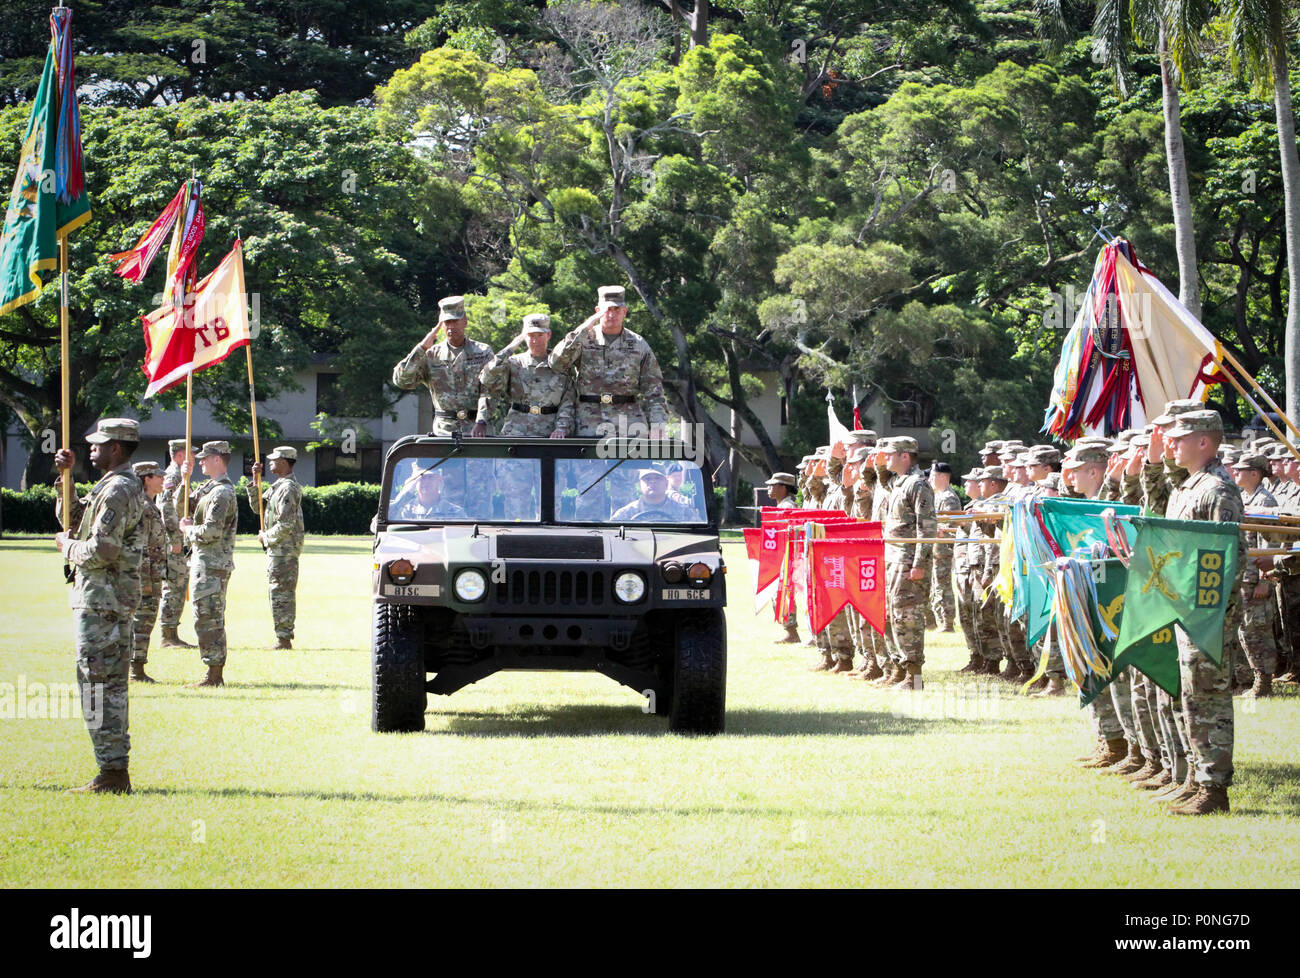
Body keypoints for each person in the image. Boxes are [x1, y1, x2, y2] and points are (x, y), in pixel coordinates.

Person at [52, 418, 146, 794]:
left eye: (99, 443)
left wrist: (68, 548)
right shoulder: (113, 486)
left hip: (103, 601)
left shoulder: (119, 489)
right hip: (105, 600)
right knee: (108, 686)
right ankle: (113, 769)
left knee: (98, 686)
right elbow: (74, 519)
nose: (92, 448)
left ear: (117, 449)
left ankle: (112, 772)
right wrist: (66, 479)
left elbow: (103, 548)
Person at [1160, 409, 1245, 815]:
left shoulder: (1218, 490)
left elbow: (1229, 559)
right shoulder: (1186, 488)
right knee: (1189, 695)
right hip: (1183, 605)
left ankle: (1214, 790)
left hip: (1206, 611)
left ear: (1204, 442)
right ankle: (1196, 778)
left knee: (1208, 696)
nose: (1171, 445)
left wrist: (1205, 607)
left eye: (1180, 439)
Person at [547, 286, 669, 437]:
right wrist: (584, 328)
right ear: (597, 311)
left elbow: (654, 389)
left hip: (629, 422)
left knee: (632, 461)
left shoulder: (638, 344)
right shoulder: (583, 340)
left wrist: (658, 425)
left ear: (624, 311)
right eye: (607, 309)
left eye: (616, 309)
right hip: (588, 421)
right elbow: (556, 364)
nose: (611, 314)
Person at [878, 436, 936, 690]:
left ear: (905, 456)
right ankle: (900, 670)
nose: (885, 459)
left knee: (908, 617)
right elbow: (878, 479)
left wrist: (920, 562)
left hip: (908, 560)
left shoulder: (918, 484)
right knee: (893, 616)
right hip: (893, 559)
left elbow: (927, 527)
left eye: (890, 454)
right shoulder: (897, 483)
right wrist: (879, 465)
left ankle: (915, 678)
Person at [180, 441, 239, 687]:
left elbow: (212, 531)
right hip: (205, 561)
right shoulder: (210, 489)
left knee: (209, 618)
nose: (200, 461)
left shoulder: (223, 492)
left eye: (204, 458)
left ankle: (214, 675)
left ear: (218, 459)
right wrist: (184, 481)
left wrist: (188, 530)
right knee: (204, 616)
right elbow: (180, 508)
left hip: (213, 564)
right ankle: (212, 672)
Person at [392, 295, 494, 437]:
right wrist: (421, 348)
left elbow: (489, 390)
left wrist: (482, 421)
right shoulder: (431, 355)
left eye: (455, 321)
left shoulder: (483, 352)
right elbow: (402, 381)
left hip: (477, 430)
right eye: (447, 322)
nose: (451, 326)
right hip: (444, 431)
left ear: (465, 321)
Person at [480, 313, 576, 438]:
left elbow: (567, 402)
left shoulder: (560, 365)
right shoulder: (514, 363)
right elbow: (487, 377)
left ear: (548, 335)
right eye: (530, 336)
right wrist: (513, 345)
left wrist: (562, 428)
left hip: (550, 432)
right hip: (515, 431)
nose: (535, 341)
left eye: (540, 335)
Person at [1231, 453, 1279, 698]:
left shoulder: (1265, 501)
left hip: (1256, 578)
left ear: (1254, 473)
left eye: (1241, 470)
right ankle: (1254, 680)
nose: (1235, 473)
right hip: (1243, 576)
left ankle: (1265, 684)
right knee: (1247, 630)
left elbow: (1270, 542)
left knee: (1259, 630)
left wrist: (1264, 579)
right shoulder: (1245, 498)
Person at [249, 446, 306, 650]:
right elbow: (259, 509)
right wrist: (255, 481)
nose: (270, 462)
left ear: (284, 461)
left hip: (285, 548)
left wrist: (266, 537)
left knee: (282, 593)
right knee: (277, 591)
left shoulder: (288, 488)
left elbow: (285, 523)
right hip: (278, 548)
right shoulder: (279, 486)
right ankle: (282, 636)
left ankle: (283, 639)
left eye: (274, 459)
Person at [130, 461, 167, 683]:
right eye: (157, 476)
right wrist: (145, 581)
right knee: (141, 623)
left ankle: (137, 668)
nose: (162, 479)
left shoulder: (150, 505)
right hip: (145, 578)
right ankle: (136, 671)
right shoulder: (143, 507)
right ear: (146, 479)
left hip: (152, 576)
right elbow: (140, 546)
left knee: (145, 623)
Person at [159, 438, 196, 648]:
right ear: (181, 455)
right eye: (191, 454)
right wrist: (174, 538)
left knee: (178, 586)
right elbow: (166, 508)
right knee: (174, 586)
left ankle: (172, 633)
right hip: (173, 541)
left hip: (178, 539)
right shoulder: (172, 476)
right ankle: (168, 635)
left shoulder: (180, 476)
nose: (193, 458)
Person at [765, 472, 801, 643]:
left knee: (784, 592)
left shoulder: (788, 507)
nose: (769, 488)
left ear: (783, 488)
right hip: (783, 555)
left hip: (789, 556)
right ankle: (790, 630)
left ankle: (791, 632)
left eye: (773, 485)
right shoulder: (783, 506)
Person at [928, 461, 961, 632]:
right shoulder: (938, 496)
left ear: (942, 476)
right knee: (936, 585)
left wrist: (941, 531)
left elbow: (952, 524)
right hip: (936, 548)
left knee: (943, 585)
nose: (930, 479)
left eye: (933, 476)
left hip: (944, 549)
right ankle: (939, 619)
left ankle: (947, 622)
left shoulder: (948, 497)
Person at [610, 468, 698, 522]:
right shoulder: (626, 513)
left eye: (658, 478)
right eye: (647, 479)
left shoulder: (684, 512)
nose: (653, 481)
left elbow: (699, 537)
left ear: (666, 484)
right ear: (639, 486)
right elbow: (613, 535)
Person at [392, 467, 470, 521]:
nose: (426, 482)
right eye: (421, 477)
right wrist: (407, 492)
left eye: (430, 477)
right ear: (414, 482)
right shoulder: (405, 510)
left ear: (439, 480)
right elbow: (385, 519)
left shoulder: (455, 512)